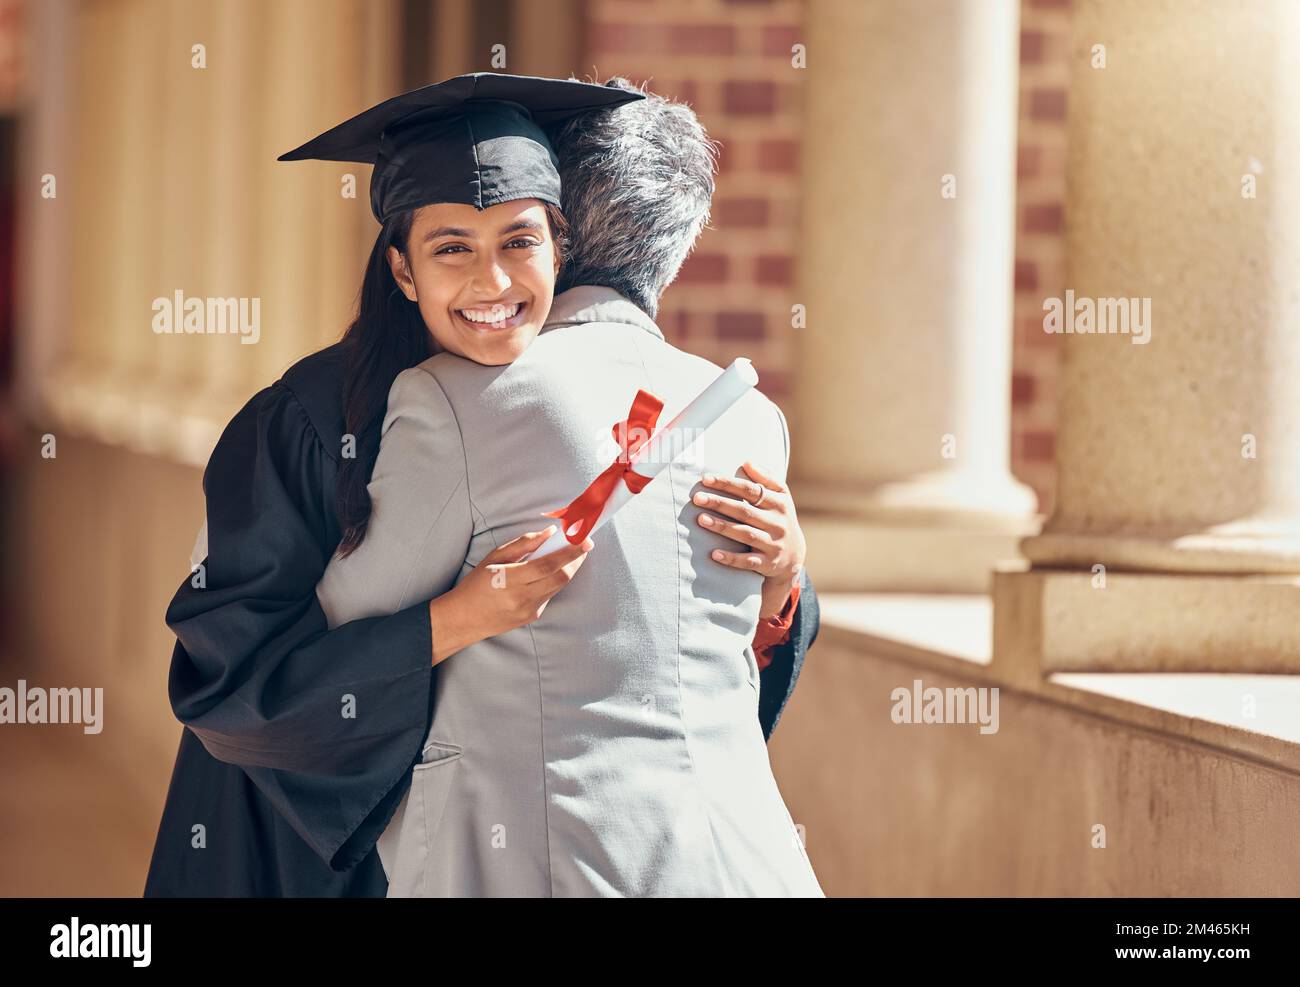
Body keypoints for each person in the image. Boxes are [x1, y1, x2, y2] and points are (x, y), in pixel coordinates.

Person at [143, 73, 817, 898]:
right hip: (303, 841)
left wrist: (783, 580)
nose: (494, 285)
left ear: (559, 248)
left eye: (519, 242)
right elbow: (229, 680)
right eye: (452, 247)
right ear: (401, 267)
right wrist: (453, 619)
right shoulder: (305, 422)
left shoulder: (547, 400)